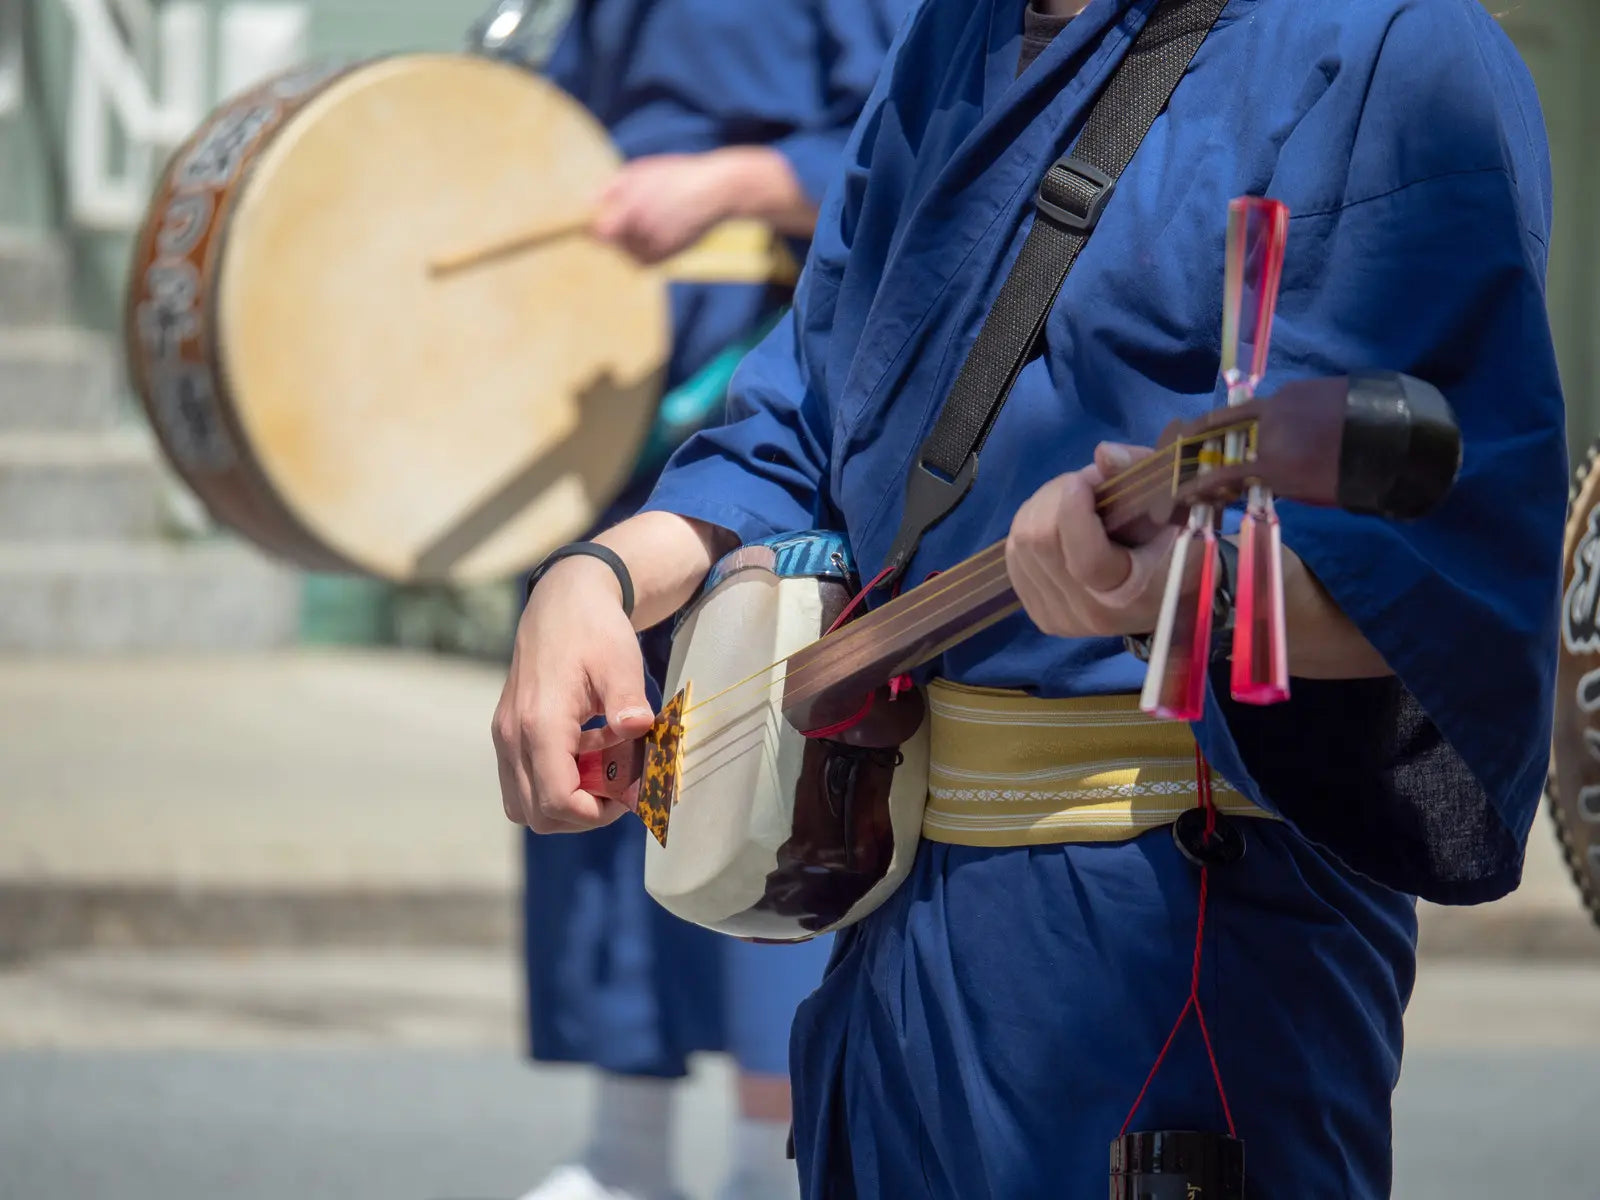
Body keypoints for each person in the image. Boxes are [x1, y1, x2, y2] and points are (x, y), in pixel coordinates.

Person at [493, 0, 1567, 1195]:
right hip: (894, 936)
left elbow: (1447, 570)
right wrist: (597, 578)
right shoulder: (953, 33)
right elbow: (804, 413)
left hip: (1168, 941)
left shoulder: (1392, 48)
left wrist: (1179, 590)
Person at [470, 4, 913, 1199]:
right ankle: (622, 1148)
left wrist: (738, 181)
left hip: (766, 411)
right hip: (611, 406)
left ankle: (758, 1166)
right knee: (597, 767)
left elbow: (934, 144)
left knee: (755, 775)